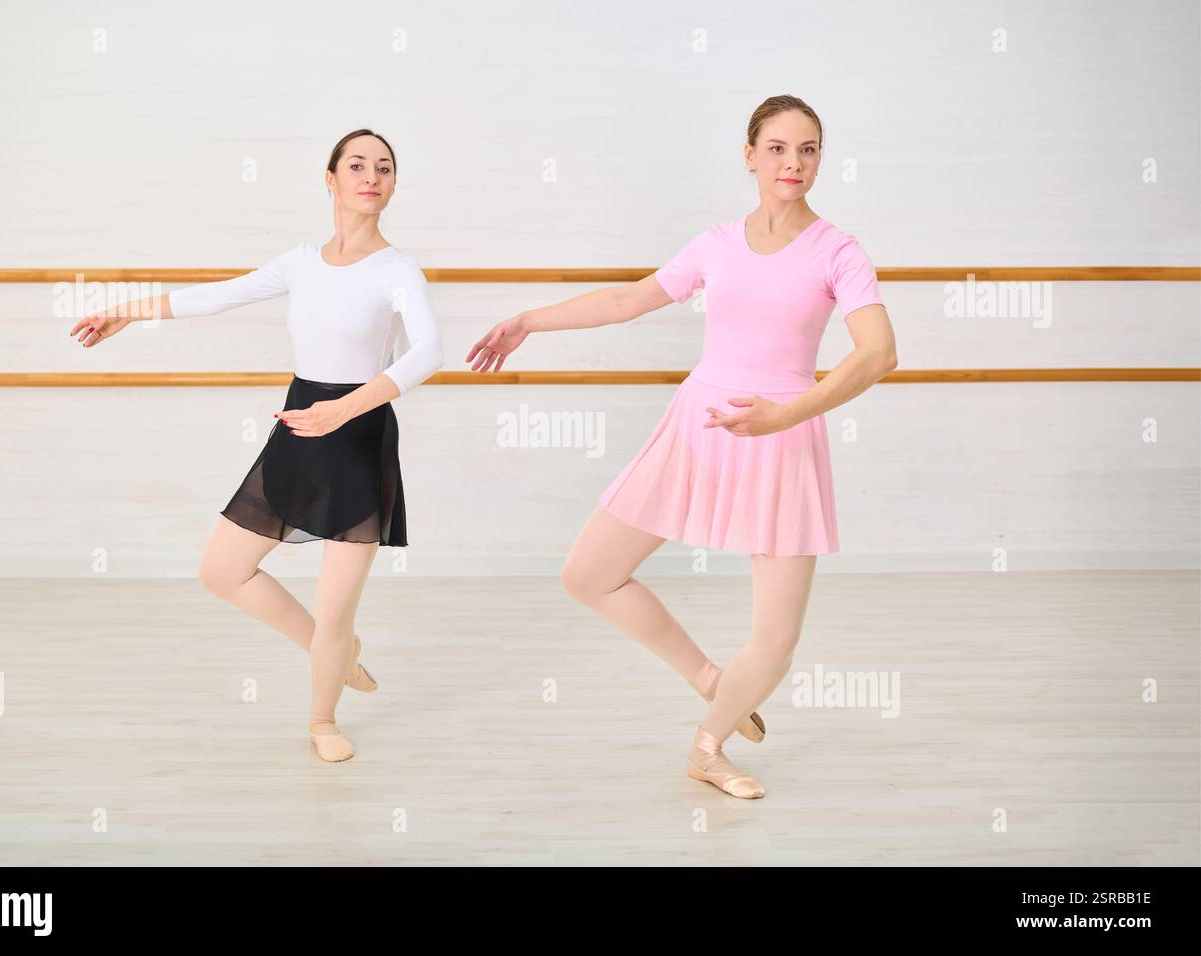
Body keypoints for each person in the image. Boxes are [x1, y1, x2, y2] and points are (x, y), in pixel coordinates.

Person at [466, 95, 898, 799]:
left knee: (779, 638)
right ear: (750, 154)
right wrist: (528, 322)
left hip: (782, 437)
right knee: (589, 573)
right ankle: (708, 679)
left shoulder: (838, 251)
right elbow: (625, 301)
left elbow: (879, 353)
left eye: (809, 149)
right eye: (780, 148)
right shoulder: (717, 243)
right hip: (699, 427)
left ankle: (709, 746)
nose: (794, 163)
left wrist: (788, 413)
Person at [69, 129, 444, 764]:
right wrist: (126, 311)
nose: (370, 176)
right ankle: (335, 650)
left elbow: (429, 354)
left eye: (384, 168)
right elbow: (220, 294)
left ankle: (322, 720)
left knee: (337, 605)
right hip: (300, 424)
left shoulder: (397, 270)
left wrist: (344, 411)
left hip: (357, 430)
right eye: (356, 165)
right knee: (222, 570)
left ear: (393, 186)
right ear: (330, 180)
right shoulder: (300, 261)